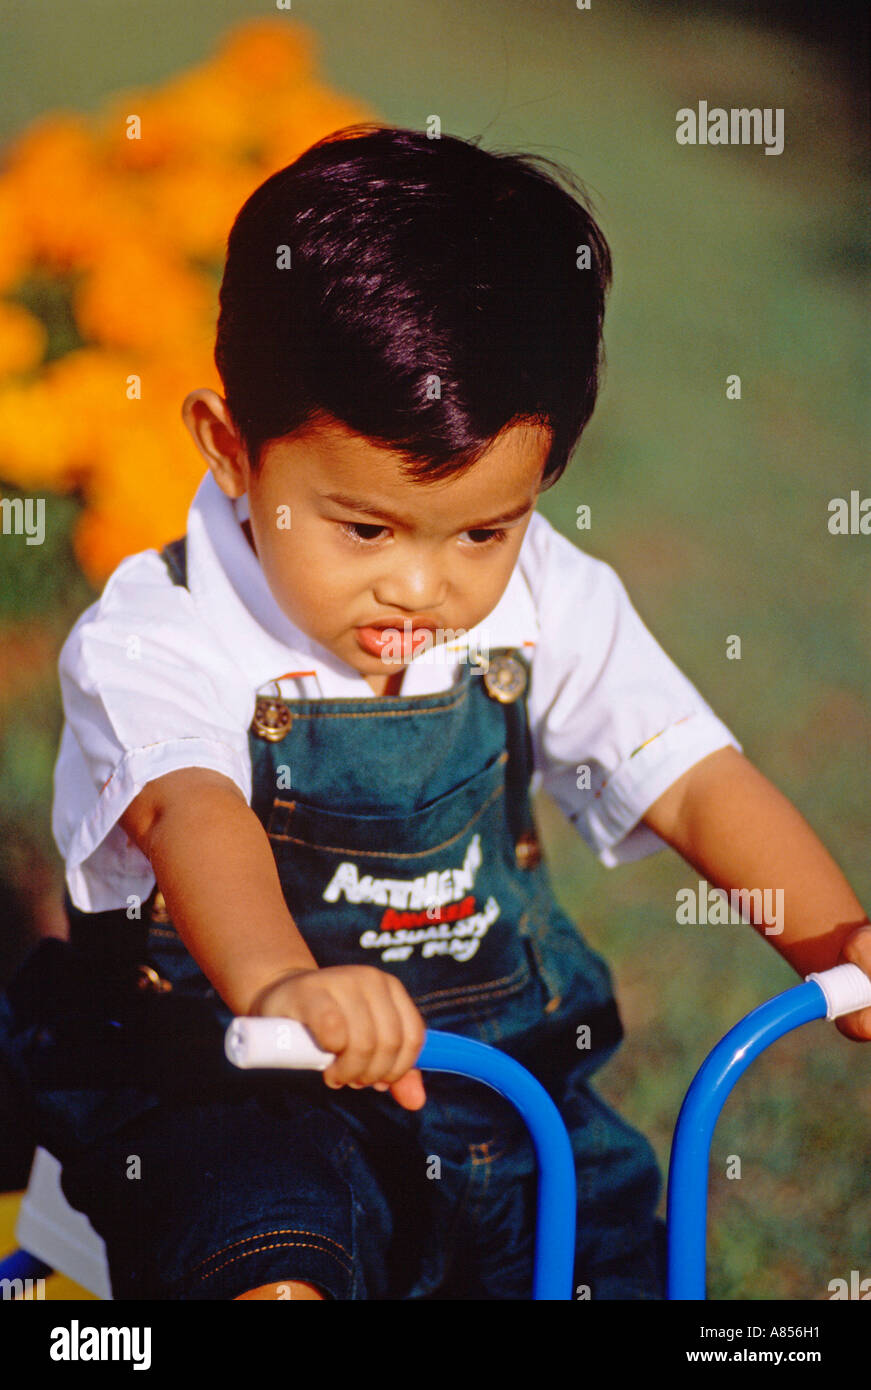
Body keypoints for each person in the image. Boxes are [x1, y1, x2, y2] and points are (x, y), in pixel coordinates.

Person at [1, 125, 869, 1302]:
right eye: (365, 529)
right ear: (230, 452)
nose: (423, 586)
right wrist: (281, 984)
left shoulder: (547, 598)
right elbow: (188, 810)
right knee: (268, 1243)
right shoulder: (161, 635)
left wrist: (833, 939)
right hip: (238, 1090)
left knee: (629, 1256)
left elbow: (693, 772)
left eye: (482, 531)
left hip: (504, 1087)